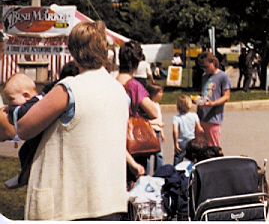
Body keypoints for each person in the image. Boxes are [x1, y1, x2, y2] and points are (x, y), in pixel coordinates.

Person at [0, 21, 129, 220]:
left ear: (74, 52)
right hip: (110, 201)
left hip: (70, 205)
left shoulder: (68, 88)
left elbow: (24, 129)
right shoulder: (119, 91)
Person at [118, 40, 162, 175]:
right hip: (133, 142)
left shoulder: (113, 82)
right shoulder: (134, 86)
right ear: (137, 63)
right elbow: (153, 112)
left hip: (117, 138)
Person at [3, 73, 44, 189]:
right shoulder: (37, 99)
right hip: (34, 139)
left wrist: (10, 110)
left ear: (26, 95)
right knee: (23, 152)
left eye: (11, 99)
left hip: (40, 141)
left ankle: (25, 176)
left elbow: (22, 112)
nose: (10, 103)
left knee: (30, 156)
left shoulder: (35, 103)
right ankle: (23, 174)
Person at [198, 54, 232, 147]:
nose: (205, 69)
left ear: (213, 63)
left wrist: (212, 103)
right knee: (199, 146)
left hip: (213, 118)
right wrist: (198, 100)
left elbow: (226, 96)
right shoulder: (204, 76)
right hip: (201, 117)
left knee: (213, 147)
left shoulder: (223, 76)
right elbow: (205, 93)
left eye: (206, 67)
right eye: (202, 67)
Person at [173, 95, 205, 165]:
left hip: (181, 141)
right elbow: (199, 129)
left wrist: (175, 143)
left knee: (178, 158)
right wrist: (202, 130)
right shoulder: (194, 116)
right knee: (192, 158)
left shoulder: (176, 118)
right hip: (191, 140)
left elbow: (175, 131)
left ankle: (176, 171)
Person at [146, 83, 166, 173]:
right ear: (154, 93)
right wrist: (158, 124)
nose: (162, 94)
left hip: (157, 132)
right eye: (160, 92)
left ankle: (158, 172)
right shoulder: (148, 105)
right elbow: (146, 121)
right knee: (148, 155)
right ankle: (146, 173)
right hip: (150, 131)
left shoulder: (157, 105)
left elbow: (159, 118)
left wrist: (162, 132)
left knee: (159, 154)